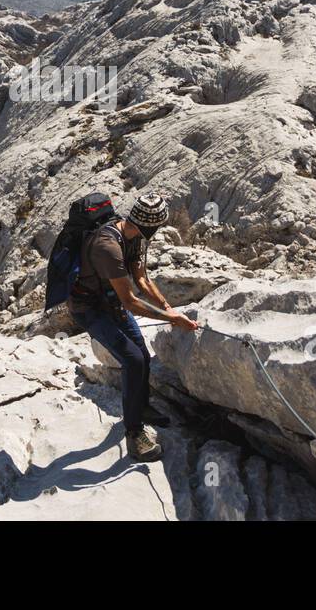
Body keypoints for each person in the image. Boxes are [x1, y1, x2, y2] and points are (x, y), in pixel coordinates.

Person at [69, 192, 198, 462]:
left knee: (142, 354)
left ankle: (141, 407)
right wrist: (171, 319)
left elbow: (141, 279)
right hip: (89, 309)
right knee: (133, 360)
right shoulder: (108, 246)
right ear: (151, 226)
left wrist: (167, 306)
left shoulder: (136, 236)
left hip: (110, 302)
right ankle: (134, 434)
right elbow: (130, 301)